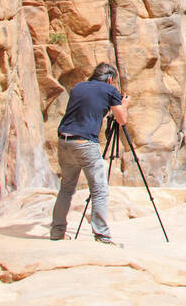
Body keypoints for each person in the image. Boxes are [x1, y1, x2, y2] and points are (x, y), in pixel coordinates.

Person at [50, 63, 128, 245]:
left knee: (66, 189)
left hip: (64, 140)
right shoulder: (109, 90)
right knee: (99, 190)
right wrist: (124, 104)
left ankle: (57, 231)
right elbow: (121, 119)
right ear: (110, 79)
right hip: (85, 143)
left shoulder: (78, 87)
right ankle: (102, 235)